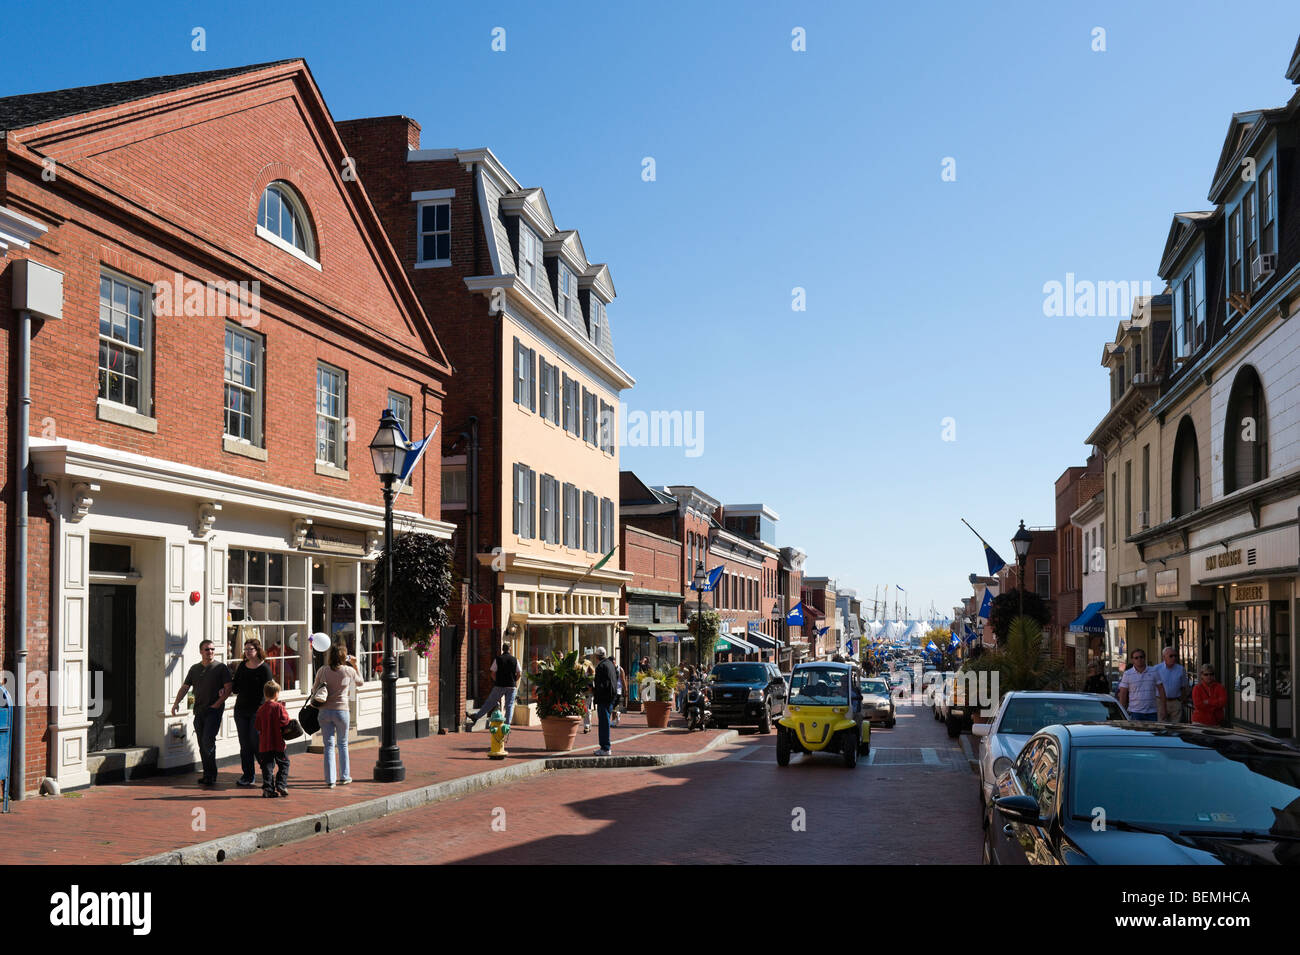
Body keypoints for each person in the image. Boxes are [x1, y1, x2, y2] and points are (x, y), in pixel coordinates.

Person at [171, 640, 233, 787]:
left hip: (214, 711)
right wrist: (176, 703)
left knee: (207, 741)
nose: (210, 652)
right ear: (201, 651)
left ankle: (211, 775)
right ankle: (207, 774)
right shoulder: (194, 669)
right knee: (202, 743)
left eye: (212, 649)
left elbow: (229, 688)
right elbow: (185, 687)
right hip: (199, 711)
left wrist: (217, 704)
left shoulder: (221, 668)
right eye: (207, 649)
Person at [310, 642, 363, 788]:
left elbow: (314, 690)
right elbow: (360, 683)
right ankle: (345, 776)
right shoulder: (348, 671)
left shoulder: (323, 670)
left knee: (328, 745)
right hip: (341, 711)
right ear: (344, 656)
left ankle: (330, 780)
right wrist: (355, 665)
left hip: (325, 711)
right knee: (343, 744)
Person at [229, 638, 272, 787]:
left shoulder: (264, 668)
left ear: (257, 650)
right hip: (241, 710)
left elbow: (269, 691)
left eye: (250, 649)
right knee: (244, 744)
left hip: (257, 711)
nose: (247, 652)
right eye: (246, 649)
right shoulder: (242, 665)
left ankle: (267, 773)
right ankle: (248, 776)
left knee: (256, 743)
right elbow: (235, 688)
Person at [465, 642, 521, 731]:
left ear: (503, 649)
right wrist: (514, 681)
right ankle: (507, 726)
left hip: (499, 685)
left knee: (490, 702)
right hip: (511, 686)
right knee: (509, 706)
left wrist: (497, 680)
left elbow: (492, 673)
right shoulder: (515, 660)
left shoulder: (498, 659)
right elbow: (519, 673)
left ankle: (476, 716)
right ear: (509, 649)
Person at [254, 680, 291, 797]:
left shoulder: (260, 709)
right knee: (284, 764)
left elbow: (257, 726)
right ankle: (281, 784)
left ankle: (268, 789)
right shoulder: (279, 707)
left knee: (267, 767)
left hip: (265, 743)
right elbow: (285, 721)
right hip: (278, 742)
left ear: (265, 694)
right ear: (276, 694)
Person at [1117, 649, 1159, 721]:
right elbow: (1123, 694)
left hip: (1152, 712)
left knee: (1152, 732)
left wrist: (1163, 709)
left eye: (1141, 657)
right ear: (1132, 660)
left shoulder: (1154, 671)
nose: (1139, 659)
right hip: (1135, 712)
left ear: (1144, 658)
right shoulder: (1127, 674)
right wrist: (1122, 712)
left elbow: (1161, 689)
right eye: (1136, 658)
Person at [1153, 646, 1191, 722]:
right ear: (1164, 657)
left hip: (1175, 702)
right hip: (1161, 702)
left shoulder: (1180, 669)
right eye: (1171, 656)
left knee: (1176, 728)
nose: (1173, 658)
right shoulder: (1156, 669)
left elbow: (1184, 686)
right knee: (1162, 727)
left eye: (1175, 656)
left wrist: (1182, 700)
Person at [592, 646, 618, 756]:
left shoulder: (601, 666)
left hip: (604, 698)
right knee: (605, 722)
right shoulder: (610, 664)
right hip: (611, 697)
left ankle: (605, 748)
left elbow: (600, 685)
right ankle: (605, 747)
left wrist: (592, 689)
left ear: (597, 656)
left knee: (604, 723)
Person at [579, 655, 597, 734]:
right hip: (582, 693)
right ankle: (588, 724)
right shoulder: (581, 672)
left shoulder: (591, 674)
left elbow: (593, 685)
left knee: (587, 710)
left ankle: (587, 725)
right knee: (584, 710)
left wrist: (589, 688)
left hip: (589, 694)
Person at [612, 659, 627, 726]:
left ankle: (613, 721)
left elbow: (623, 680)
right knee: (613, 706)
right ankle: (615, 718)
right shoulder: (610, 669)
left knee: (614, 706)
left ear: (615, 661)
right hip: (612, 690)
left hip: (618, 690)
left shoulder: (620, 669)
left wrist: (626, 690)